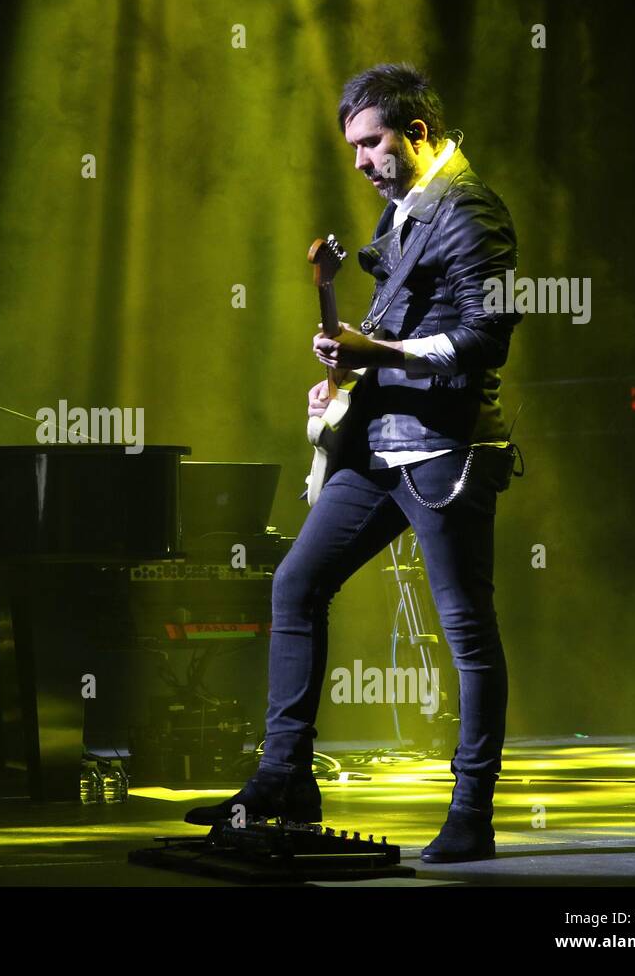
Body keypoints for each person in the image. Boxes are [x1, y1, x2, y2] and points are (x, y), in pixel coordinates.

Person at [186, 64, 521, 863]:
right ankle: (286, 776)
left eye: (372, 143)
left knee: (467, 631)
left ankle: (472, 811)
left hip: (446, 452)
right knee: (295, 584)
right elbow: (395, 338)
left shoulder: (469, 210)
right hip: (379, 446)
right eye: (354, 148)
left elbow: (486, 340)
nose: (362, 161)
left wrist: (378, 349)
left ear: (418, 131)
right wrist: (345, 378)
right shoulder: (404, 218)